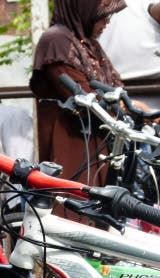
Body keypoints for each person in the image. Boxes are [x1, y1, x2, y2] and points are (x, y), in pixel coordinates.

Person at [30, 0, 126, 187]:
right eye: (102, 15)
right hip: (71, 147)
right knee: (71, 208)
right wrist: (118, 103)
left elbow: (116, 87)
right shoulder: (57, 41)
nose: (107, 22)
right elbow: (83, 95)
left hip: (96, 147)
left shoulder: (89, 44)